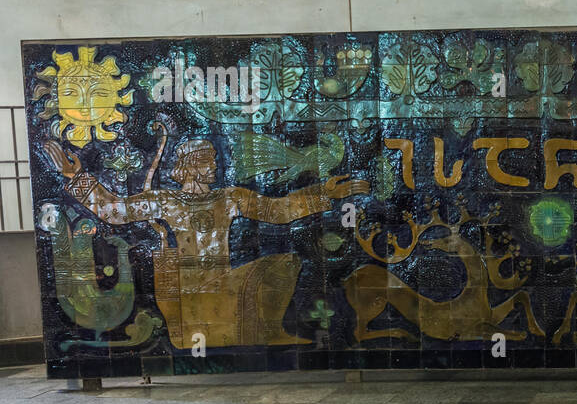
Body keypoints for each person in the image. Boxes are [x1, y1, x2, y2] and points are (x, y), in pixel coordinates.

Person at [44, 137, 367, 349]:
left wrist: (323, 194)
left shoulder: (229, 198)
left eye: (213, 160)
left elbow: (277, 210)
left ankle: (268, 331)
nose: (214, 166)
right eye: (208, 161)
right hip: (189, 287)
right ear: (192, 166)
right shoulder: (165, 201)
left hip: (223, 280)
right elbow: (115, 211)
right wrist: (77, 178)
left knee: (286, 262)